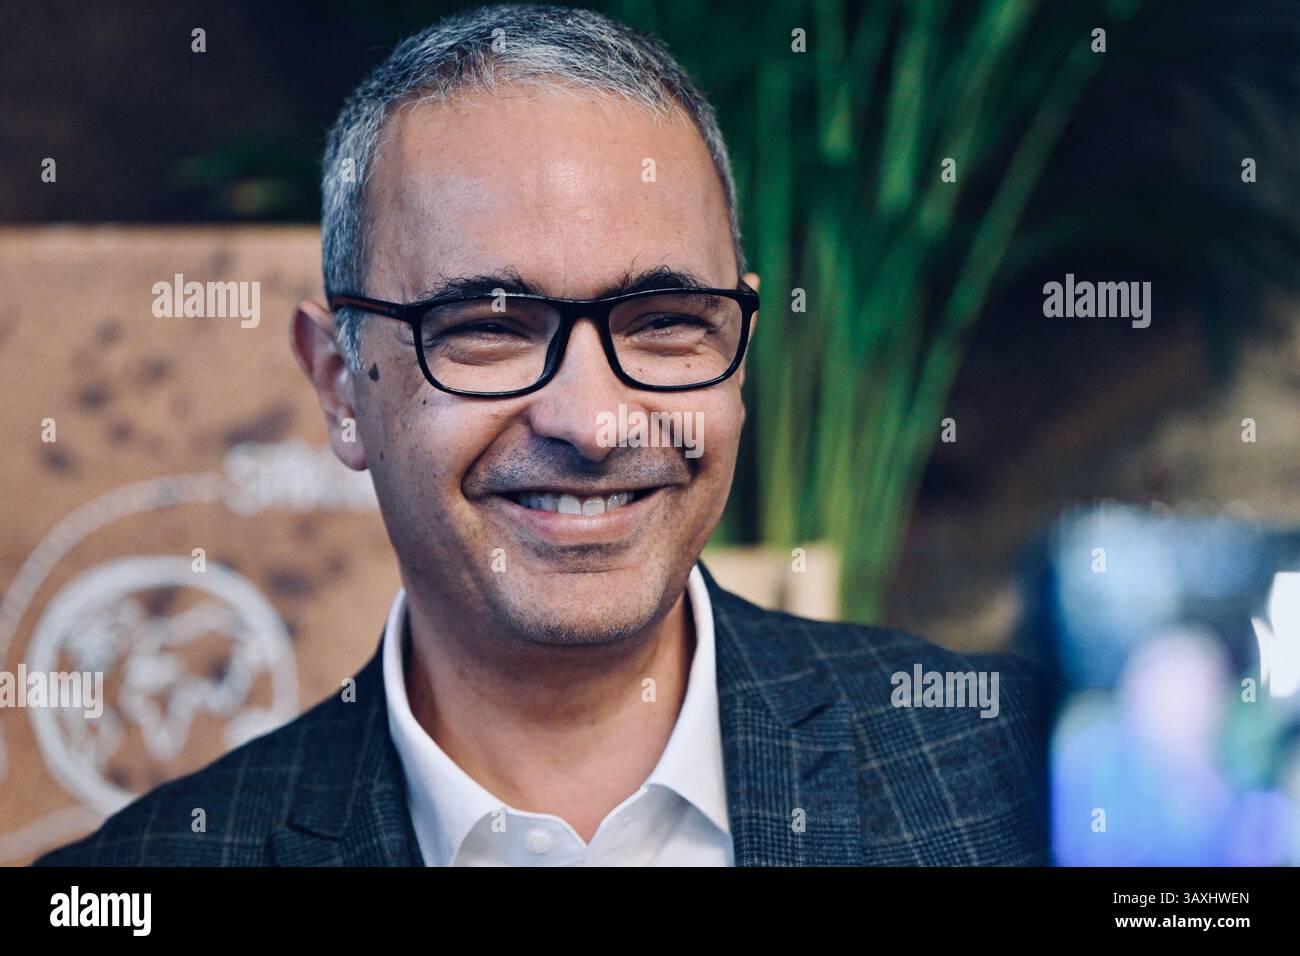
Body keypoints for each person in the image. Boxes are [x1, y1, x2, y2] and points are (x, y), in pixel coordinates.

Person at [36, 3, 1046, 867]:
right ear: (342, 385)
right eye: (486, 330)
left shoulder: (1018, 781)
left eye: (661, 322)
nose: (592, 422)